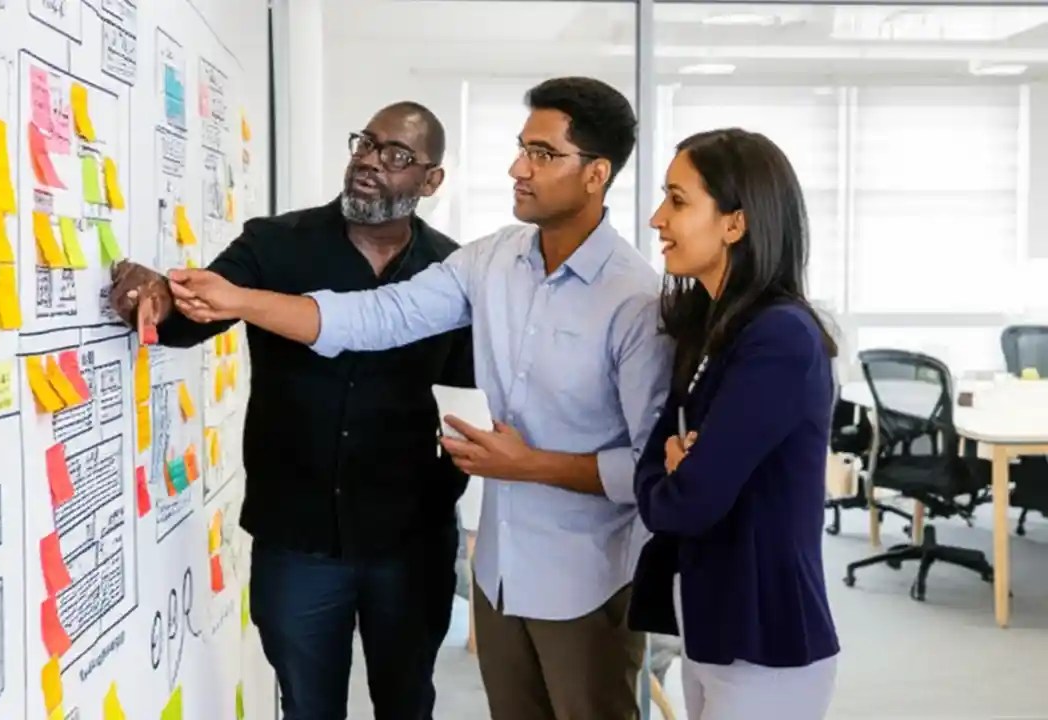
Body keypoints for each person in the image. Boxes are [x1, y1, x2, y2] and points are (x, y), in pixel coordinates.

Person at [168, 77, 671, 720]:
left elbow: (651, 468)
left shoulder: (633, 299)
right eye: (522, 148)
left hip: (586, 582)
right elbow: (378, 317)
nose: (518, 168)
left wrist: (530, 465)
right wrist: (236, 298)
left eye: (542, 154)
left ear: (596, 173)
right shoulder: (489, 264)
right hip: (497, 575)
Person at [108, 102, 475, 720]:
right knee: (306, 706)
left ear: (431, 181)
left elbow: (467, 392)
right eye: (365, 143)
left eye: (396, 156)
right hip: (298, 538)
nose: (368, 161)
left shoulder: (452, 271)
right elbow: (195, 314)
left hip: (411, 539)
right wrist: (152, 292)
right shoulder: (276, 244)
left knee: (408, 702)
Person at [627, 128, 841, 720]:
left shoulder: (780, 338)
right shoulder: (710, 327)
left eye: (677, 200)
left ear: (734, 224)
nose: (656, 218)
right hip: (709, 620)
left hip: (766, 637)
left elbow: (687, 503)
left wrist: (678, 477)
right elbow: (656, 468)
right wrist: (673, 473)